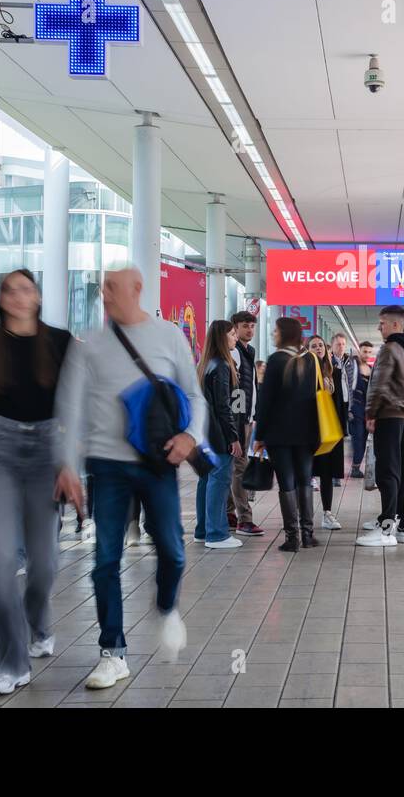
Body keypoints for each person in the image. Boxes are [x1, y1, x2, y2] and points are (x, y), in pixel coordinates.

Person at [57, 266, 207, 691]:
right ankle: (113, 652)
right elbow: (71, 409)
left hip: (155, 463)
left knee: (173, 552)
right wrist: (68, 465)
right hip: (105, 466)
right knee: (105, 559)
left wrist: (188, 436)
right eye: (103, 287)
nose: (104, 293)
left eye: (111, 286)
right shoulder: (88, 347)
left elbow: (194, 395)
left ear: (137, 289)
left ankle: (166, 607)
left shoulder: (168, 336)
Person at [0, 269, 77, 695]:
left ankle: (38, 624)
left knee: (44, 563)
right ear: (1, 299)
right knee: (3, 561)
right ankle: (11, 663)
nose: (19, 297)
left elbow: (72, 407)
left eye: (27, 289)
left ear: (38, 296)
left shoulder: (60, 342)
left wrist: (69, 462)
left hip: (47, 451)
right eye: (10, 290)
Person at [254, 317, 320, 551]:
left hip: (278, 434)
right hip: (307, 433)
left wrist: (259, 435)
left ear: (284, 334)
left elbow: (266, 401)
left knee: (286, 482)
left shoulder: (276, 360)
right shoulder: (310, 360)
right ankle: (308, 534)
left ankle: (292, 538)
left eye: (275, 331)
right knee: (305, 479)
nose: (273, 334)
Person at [356, 305, 404, 547]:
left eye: (382, 323)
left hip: (389, 416)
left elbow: (378, 385)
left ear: (395, 324)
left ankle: (386, 528)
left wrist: (370, 413)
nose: (378, 327)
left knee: (388, 471)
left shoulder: (389, 349)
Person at [195, 319, 242, 550]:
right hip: (218, 434)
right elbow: (224, 406)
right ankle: (216, 534)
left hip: (203, 432)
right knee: (219, 480)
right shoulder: (223, 365)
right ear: (223, 338)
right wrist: (233, 437)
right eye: (233, 334)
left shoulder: (205, 364)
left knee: (206, 480)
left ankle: (203, 530)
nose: (235, 337)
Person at [226, 311, 264, 537]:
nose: (249, 330)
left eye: (252, 326)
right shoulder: (235, 353)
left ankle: (230, 513)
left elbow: (250, 387)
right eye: (244, 326)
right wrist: (239, 422)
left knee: (235, 468)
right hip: (239, 420)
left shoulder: (248, 352)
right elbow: (235, 391)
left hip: (246, 419)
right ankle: (244, 519)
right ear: (235, 328)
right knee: (240, 468)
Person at [307, 335, 345, 530]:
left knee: (327, 473)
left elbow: (342, 402)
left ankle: (327, 513)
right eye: (314, 346)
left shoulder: (335, 373)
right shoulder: (304, 372)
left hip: (329, 428)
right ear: (308, 350)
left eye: (321, 345)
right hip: (309, 430)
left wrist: (342, 429)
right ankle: (302, 514)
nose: (318, 348)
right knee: (305, 472)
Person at [330, 332, 357, 485]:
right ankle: (334, 475)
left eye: (343, 344)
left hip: (347, 405)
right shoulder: (329, 361)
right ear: (332, 346)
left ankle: (337, 472)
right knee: (335, 440)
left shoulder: (349, 361)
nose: (341, 347)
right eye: (338, 344)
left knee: (342, 439)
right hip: (334, 405)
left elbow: (352, 383)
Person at [348, 341, 374, 482]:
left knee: (363, 439)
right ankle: (355, 467)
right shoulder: (353, 366)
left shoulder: (371, 369)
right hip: (355, 409)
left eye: (370, 352)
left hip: (367, 410)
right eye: (365, 351)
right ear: (359, 351)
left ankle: (356, 465)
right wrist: (349, 409)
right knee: (358, 438)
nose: (367, 354)